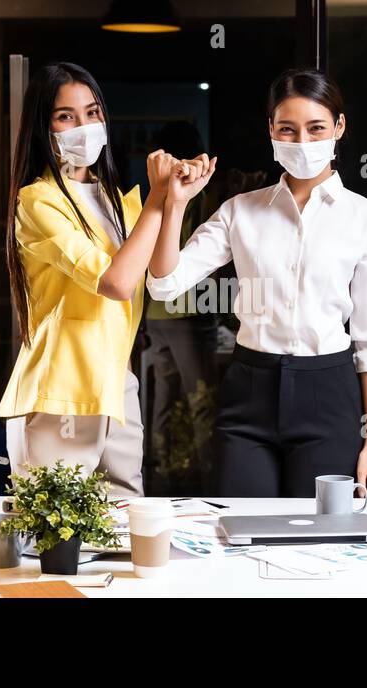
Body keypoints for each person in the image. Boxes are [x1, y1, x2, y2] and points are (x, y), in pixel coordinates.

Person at [147, 69, 367, 499]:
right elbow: (164, 284)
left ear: (339, 127)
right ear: (271, 132)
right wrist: (175, 205)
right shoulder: (241, 210)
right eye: (288, 130)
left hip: (329, 393)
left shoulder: (366, 220)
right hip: (250, 390)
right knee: (240, 529)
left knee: (317, 540)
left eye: (316, 128)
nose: (302, 142)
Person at [0, 62, 193, 498]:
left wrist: (173, 201)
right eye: (65, 116)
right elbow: (117, 282)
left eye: (92, 112)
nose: (83, 125)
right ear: (42, 129)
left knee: (124, 523)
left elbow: (161, 270)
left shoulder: (111, 198)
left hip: (116, 382)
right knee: (54, 537)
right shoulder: (37, 201)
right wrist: (157, 199)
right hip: (61, 390)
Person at [142, 121, 218, 480]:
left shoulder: (153, 195)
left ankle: (159, 470)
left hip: (156, 313)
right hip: (189, 311)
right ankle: (208, 473)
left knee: (163, 395)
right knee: (200, 396)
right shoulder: (197, 196)